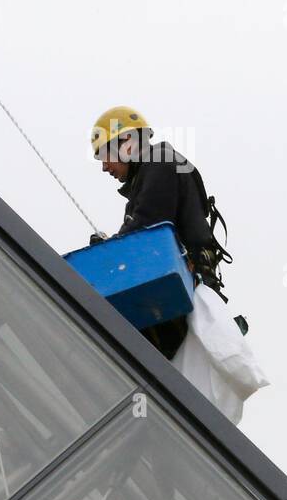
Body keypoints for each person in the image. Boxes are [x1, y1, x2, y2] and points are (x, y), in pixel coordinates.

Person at [90, 105, 228, 357]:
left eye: (104, 156)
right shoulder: (153, 170)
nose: (104, 167)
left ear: (125, 144)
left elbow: (147, 228)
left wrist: (110, 251)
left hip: (184, 289)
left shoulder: (160, 162)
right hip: (182, 291)